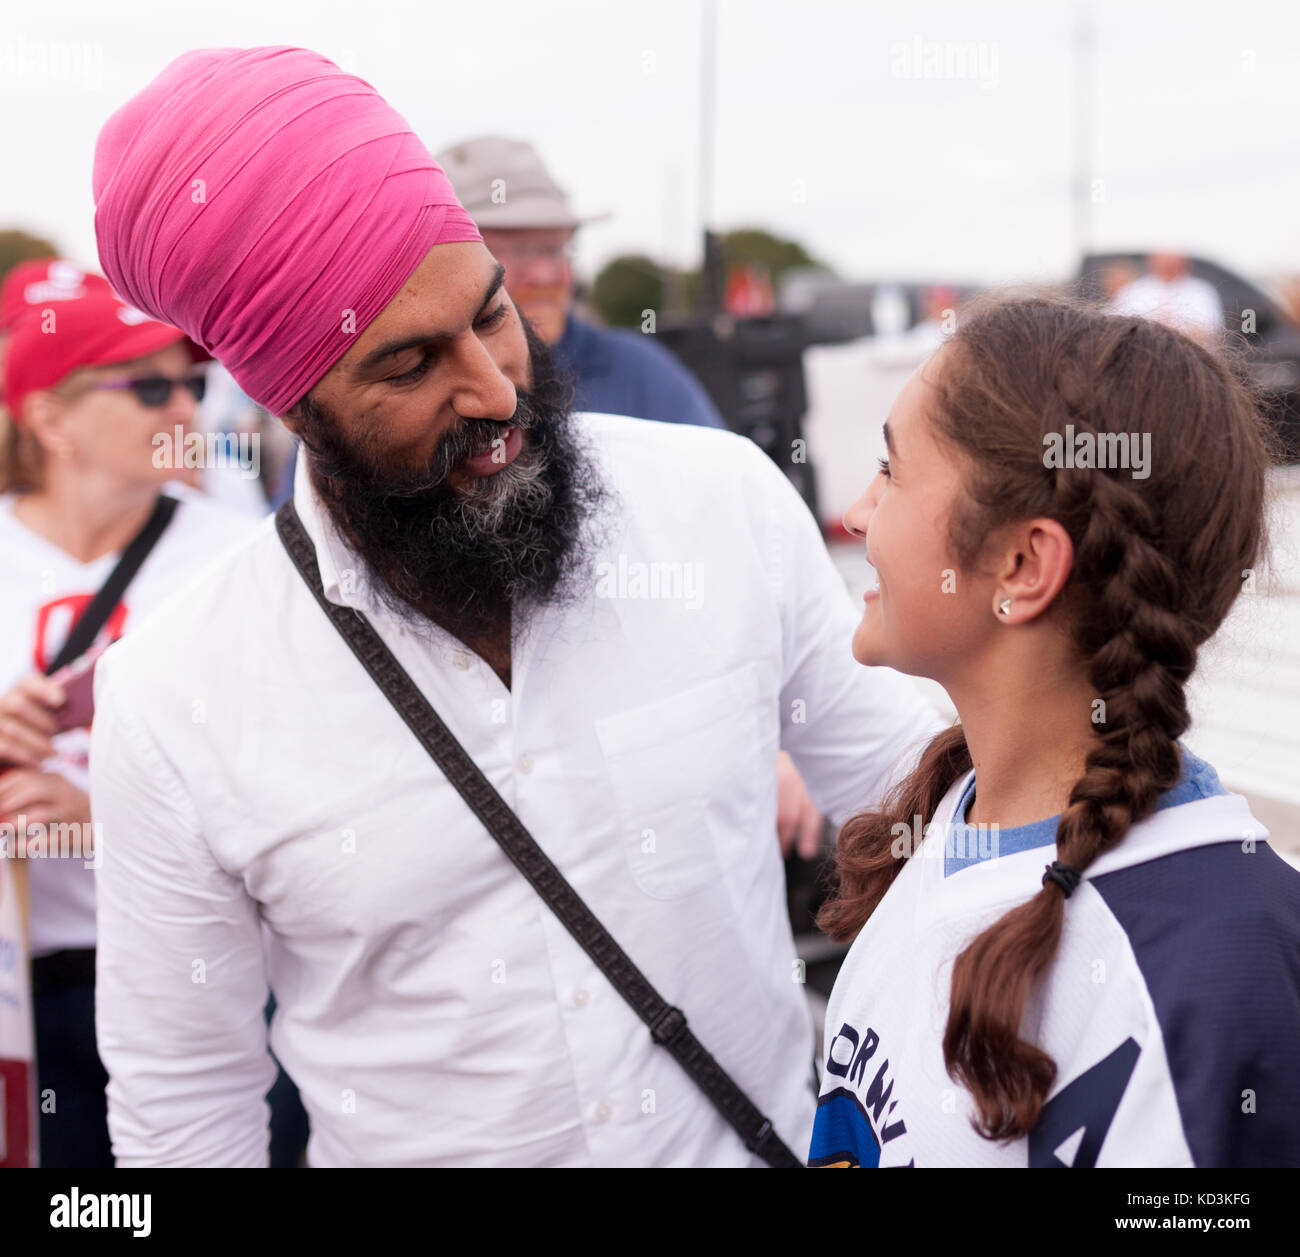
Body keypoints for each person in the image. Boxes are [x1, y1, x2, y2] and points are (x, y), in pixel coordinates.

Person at [87, 45, 940, 1168]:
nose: (496, 391)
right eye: (410, 366)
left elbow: (928, 816)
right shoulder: (175, 694)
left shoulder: (717, 505)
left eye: (492, 315)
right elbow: (185, 1101)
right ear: (291, 403)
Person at [810, 295, 1300, 1167]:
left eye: (891, 469)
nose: (855, 512)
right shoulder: (955, 808)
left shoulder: (1216, 976)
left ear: (1023, 565)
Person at [0, 285, 260, 1166]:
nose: (186, 407)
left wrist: (106, 821)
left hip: (190, 974)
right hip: (23, 985)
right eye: (150, 388)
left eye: (193, 382)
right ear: (50, 419)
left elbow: (287, 778)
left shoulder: (240, 558)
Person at [1109, 252, 1224, 346]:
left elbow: (1212, 331)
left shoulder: (1201, 291)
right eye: (1163, 263)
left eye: (1172, 264)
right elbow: (1119, 325)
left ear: (1183, 264)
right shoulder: (1134, 290)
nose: (1167, 267)